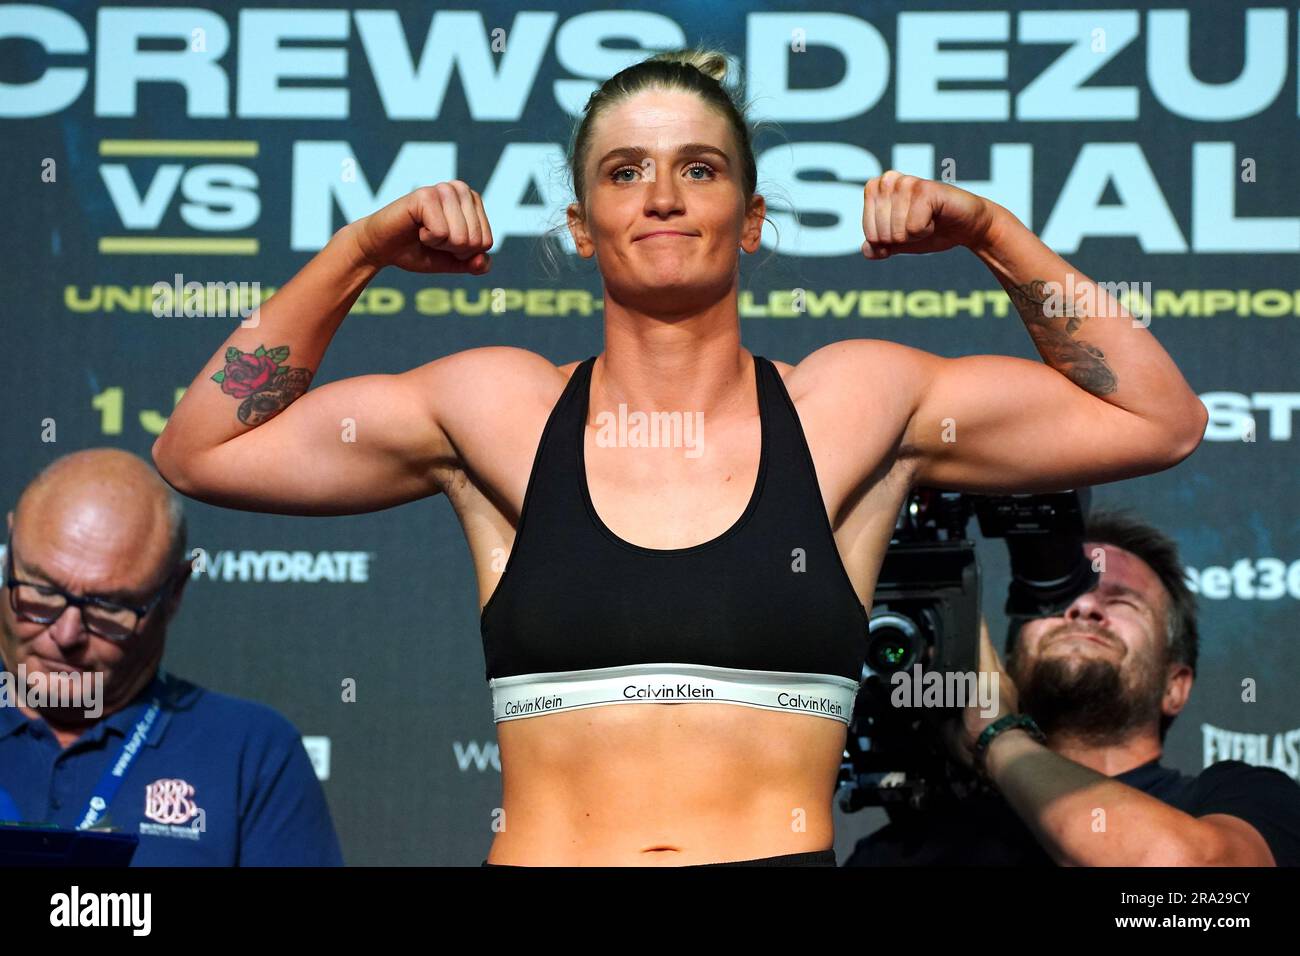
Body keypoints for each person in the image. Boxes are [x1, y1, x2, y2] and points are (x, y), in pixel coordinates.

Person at [151, 47, 1208, 867]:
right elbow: (200, 449)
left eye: (697, 168)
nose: (661, 196)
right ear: (581, 223)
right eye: (626, 171)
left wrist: (991, 231)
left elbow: (1156, 420)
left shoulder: (855, 403)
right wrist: (357, 253)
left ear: (750, 219)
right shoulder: (495, 406)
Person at [847, 510, 1300, 866]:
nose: (1082, 609)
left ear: (1175, 686)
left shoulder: (1239, 799)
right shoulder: (908, 850)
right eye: (1057, 599)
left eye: (1120, 600)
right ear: (1008, 668)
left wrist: (997, 734)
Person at [0, 449, 343, 866]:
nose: (66, 634)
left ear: (174, 592)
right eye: (42, 591)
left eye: (109, 607)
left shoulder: (251, 753)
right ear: (9, 553)